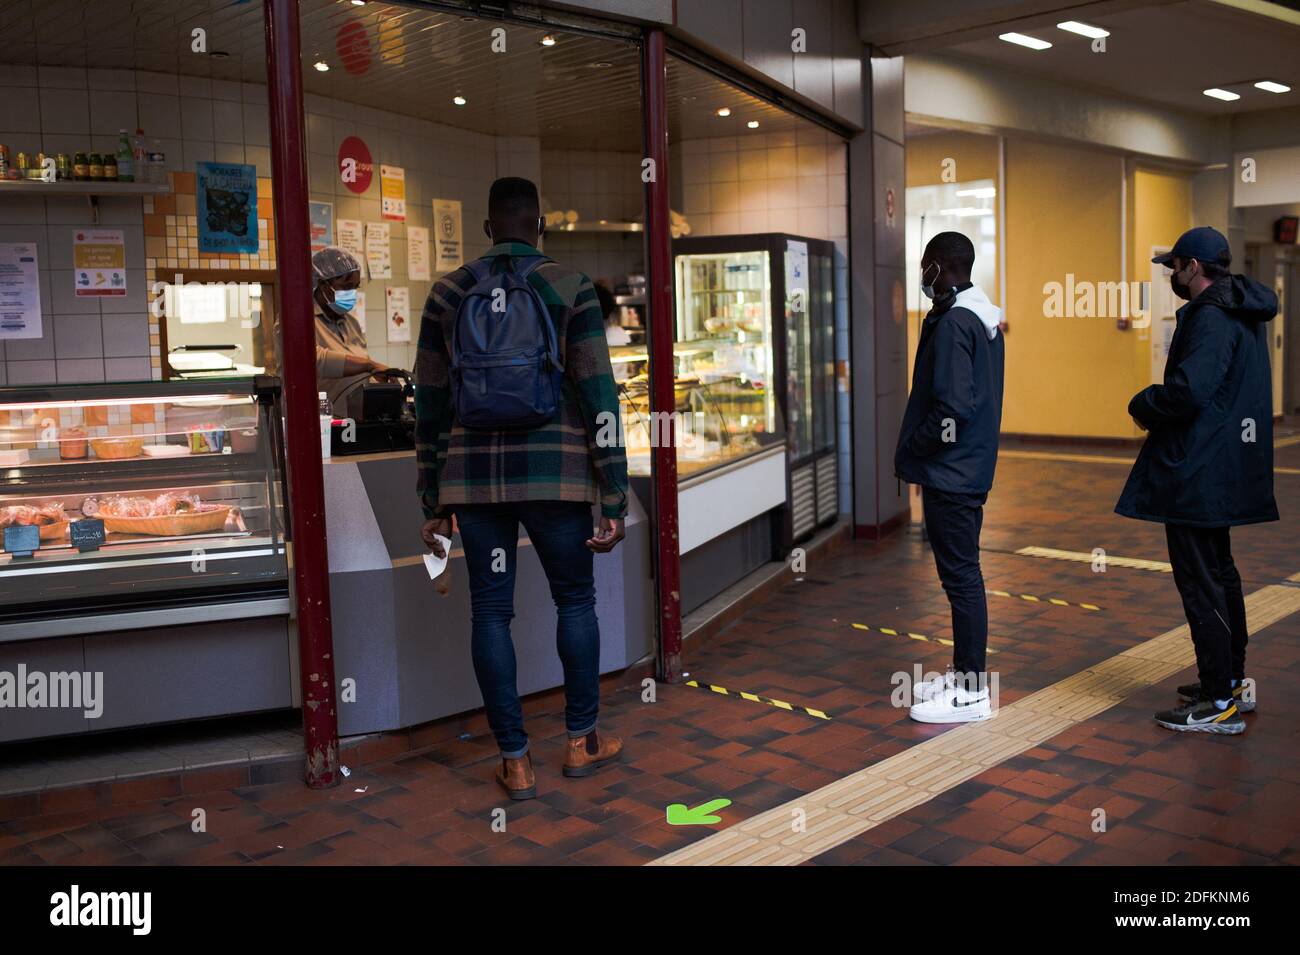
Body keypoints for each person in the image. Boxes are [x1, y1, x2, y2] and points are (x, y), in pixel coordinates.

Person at [413, 177, 629, 800]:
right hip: (555, 478)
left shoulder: (448, 293)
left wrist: (433, 499)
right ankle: (581, 742)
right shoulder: (570, 287)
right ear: (540, 225)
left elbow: (428, 404)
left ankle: (515, 760)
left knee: (490, 612)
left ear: (486, 229)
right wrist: (611, 493)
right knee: (575, 602)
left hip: (476, 486)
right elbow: (600, 397)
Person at [1116, 226, 1278, 735]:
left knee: (1201, 582)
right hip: (1225, 465)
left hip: (1199, 469)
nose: (1171, 275)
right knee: (1221, 574)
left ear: (1192, 266)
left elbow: (1189, 392)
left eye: (1174, 267)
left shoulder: (1210, 317)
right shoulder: (1242, 309)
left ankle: (1216, 702)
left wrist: (1142, 403)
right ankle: (1229, 681)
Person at [894, 231, 1005, 724]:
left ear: (940, 266)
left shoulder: (957, 321)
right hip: (964, 467)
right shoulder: (976, 316)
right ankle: (964, 673)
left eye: (925, 264)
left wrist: (916, 449)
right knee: (960, 575)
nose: (922, 273)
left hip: (952, 472)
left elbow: (954, 408)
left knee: (961, 578)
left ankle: (971, 690)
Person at [279, 246, 401, 420]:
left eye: (355, 287)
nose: (351, 293)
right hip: (313, 424)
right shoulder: (297, 320)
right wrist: (369, 365)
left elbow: (357, 372)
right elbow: (313, 360)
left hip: (352, 424)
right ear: (322, 284)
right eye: (346, 286)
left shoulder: (352, 323)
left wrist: (377, 379)